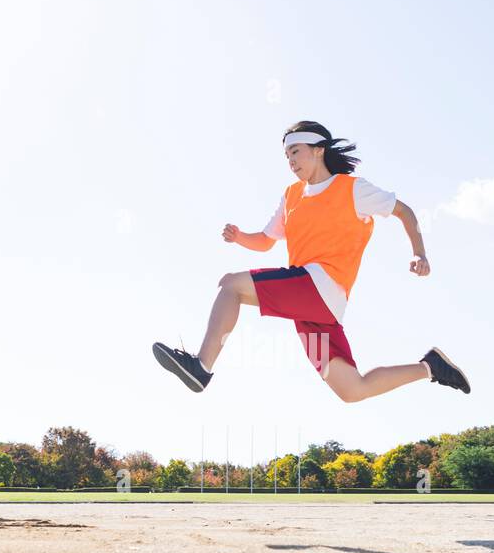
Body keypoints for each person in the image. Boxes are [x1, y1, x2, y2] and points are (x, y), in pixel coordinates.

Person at [153, 120, 470, 401]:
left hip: (319, 285)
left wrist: (419, 252)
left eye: (296, 151)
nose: (290, 160)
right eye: (287, 155)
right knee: (352, 390)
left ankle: (201, 366)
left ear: (319, 150)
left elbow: (405, 211)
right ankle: (431, 367)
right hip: (314, 305)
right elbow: (266, 241)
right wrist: (240, 237)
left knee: (230, 285)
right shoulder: (291, 195)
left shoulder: (352, 189)